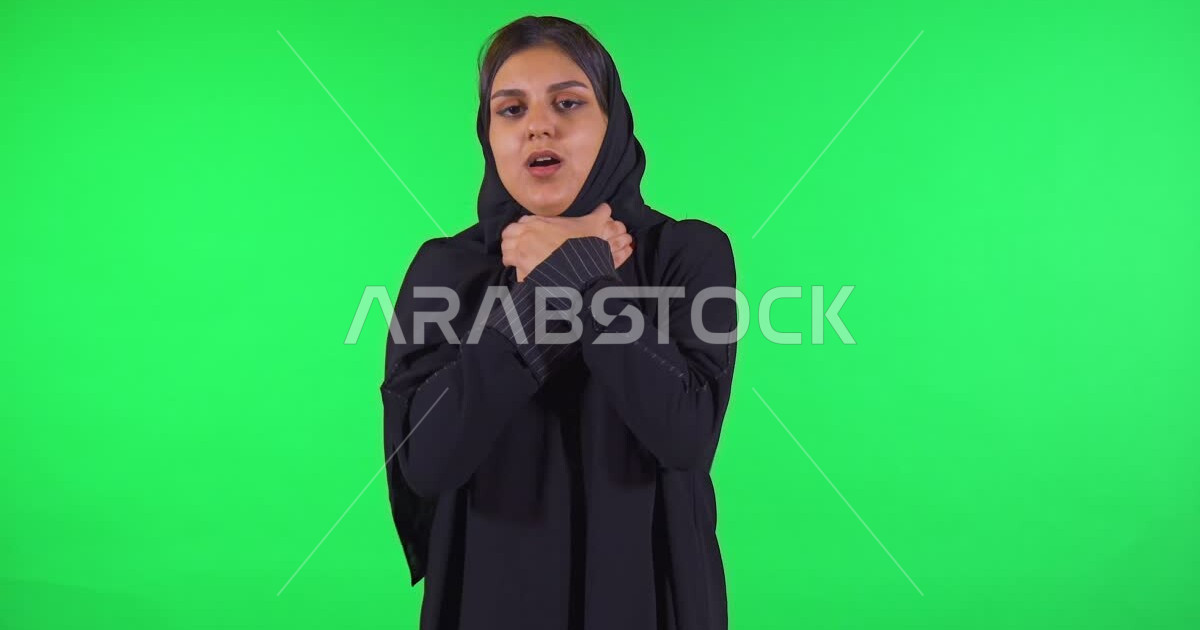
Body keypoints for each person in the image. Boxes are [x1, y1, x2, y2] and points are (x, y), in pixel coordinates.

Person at [381, 15, 738, 630]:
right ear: (487, 134)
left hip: (651, 597)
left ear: (612, 122)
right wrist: (559, 276)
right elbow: (429, 461)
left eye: (568, 102)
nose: (538, 125)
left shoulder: (685, 253)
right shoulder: (446, 268)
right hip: (489, 599)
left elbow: (683, 434)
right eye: (510, 110)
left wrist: (589, 279)